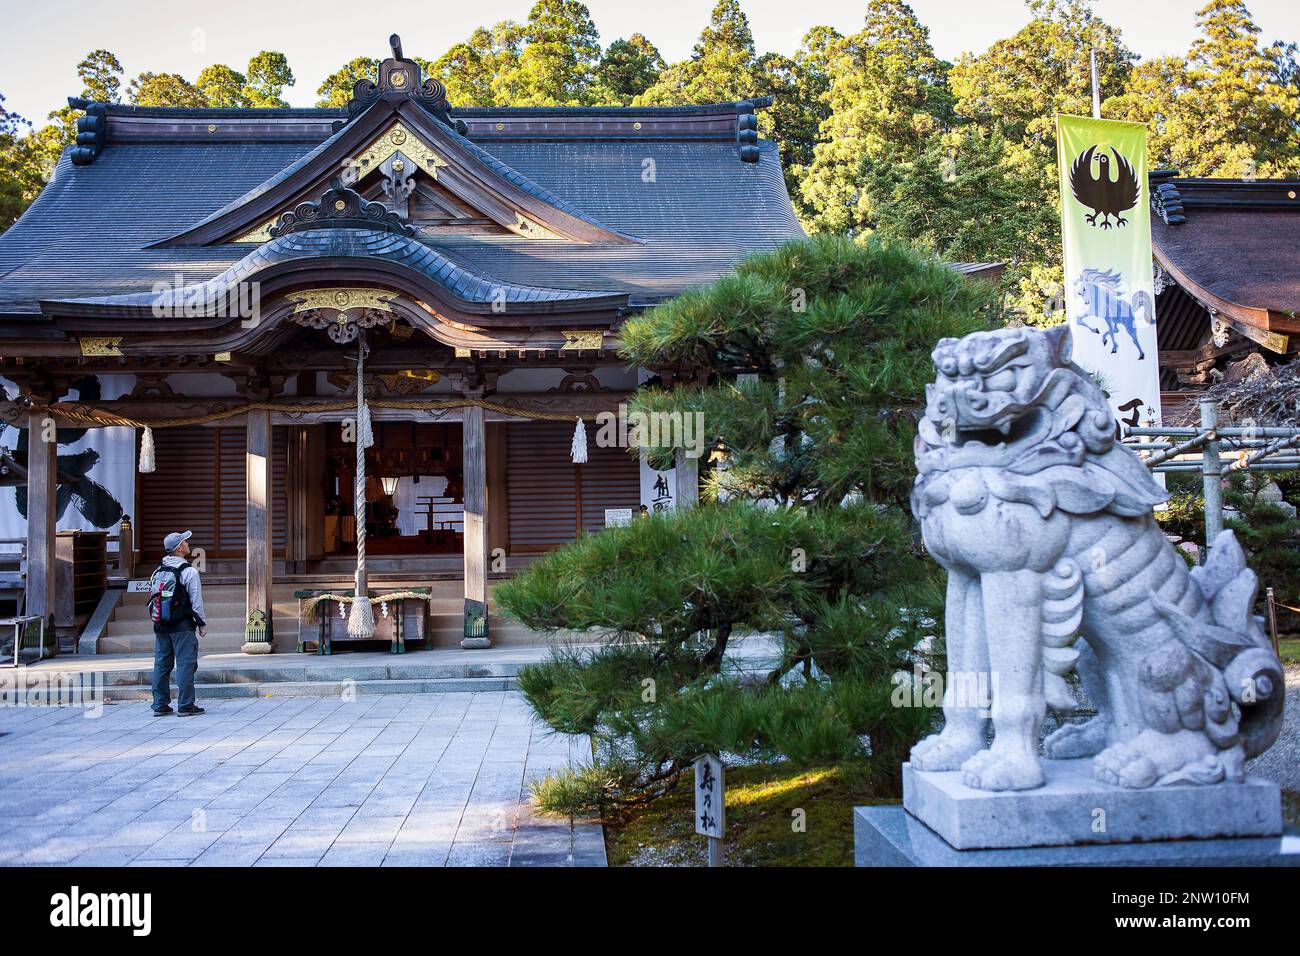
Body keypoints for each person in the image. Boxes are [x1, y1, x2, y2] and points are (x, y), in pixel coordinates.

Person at [150, 530, 207, 716]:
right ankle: (185, 705)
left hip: (161, 624)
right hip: (182, 625)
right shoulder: (189, 572)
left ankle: (160, 705)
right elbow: (196, 601)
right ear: (179, 548)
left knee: (161, 664)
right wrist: (201, 623)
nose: (188, 544)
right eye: (185, 542)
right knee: (185, 664)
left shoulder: (157, 570)